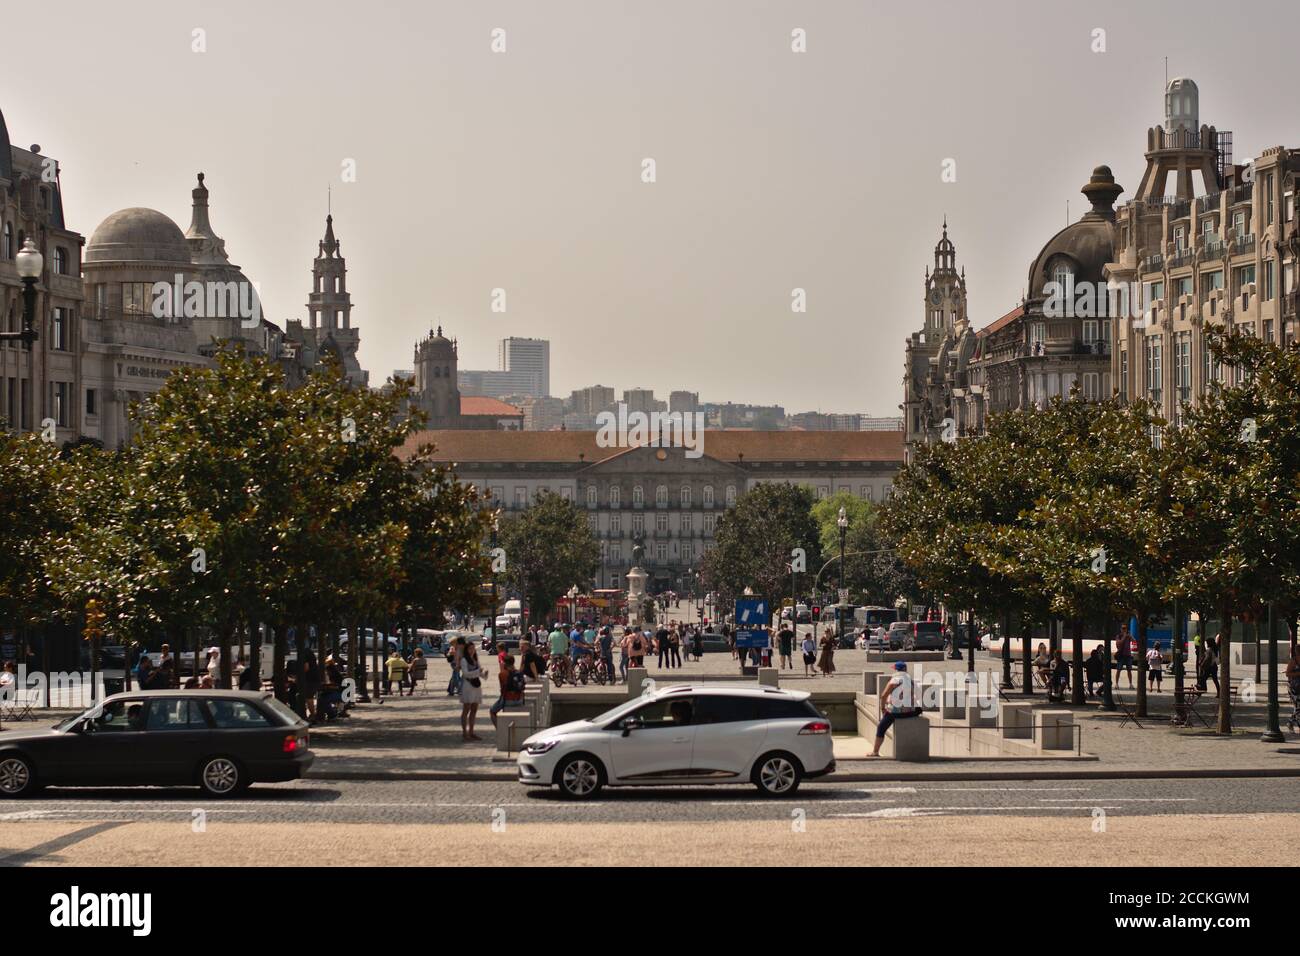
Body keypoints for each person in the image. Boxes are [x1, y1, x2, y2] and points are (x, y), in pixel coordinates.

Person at [869, 662, 920, 757]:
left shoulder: (894, 680)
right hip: (909, 712)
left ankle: (875, 752)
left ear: (896, 670)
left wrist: (883, 708)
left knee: (881, 728)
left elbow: (883, 696)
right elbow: (917, 696)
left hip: (895, 713)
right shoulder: (911, 681)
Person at [490, 654, 526, 728]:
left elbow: (503, 689)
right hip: (519, 700)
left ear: (505, 663)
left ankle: (500, 729)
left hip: (508, 700)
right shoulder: (519, 673)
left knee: (492, 711)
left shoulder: (502, 674)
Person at [459, 641, 484, 741]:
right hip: (468, 686)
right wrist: (477, 671)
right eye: (470, 649)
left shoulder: (475, 659)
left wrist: (484, 674)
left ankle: (471, 732)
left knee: (474, 709)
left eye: (473, 648)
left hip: (476, 685)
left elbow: (479, 673)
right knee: (466, 709)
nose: (472, 650)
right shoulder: (464, 660)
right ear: (466, 650)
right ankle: (464, 733)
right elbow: (465, 673)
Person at [300, 649, 321, 720]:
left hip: (310, 679)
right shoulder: (309, 653)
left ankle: (313, 715)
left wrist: (299, 673)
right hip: (315, 678)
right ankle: (313, 714)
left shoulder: (304, 654)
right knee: (310, 697)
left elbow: (306, 667)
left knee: (309, 698)